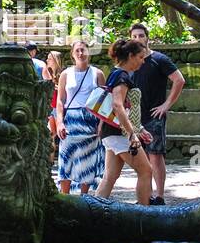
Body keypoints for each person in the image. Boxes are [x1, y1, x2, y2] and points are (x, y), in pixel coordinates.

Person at [128, 22, 185, 205]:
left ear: (147, 38)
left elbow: (179, 80)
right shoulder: (130, 63)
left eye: (141, 36)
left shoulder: (159, 59)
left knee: (155, 156)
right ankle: (145, 196)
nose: (138, 39)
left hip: (154, 116)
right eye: (134, 36)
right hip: (135, 117)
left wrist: (166, 105)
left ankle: (159, 196)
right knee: (140, 158)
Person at [94, 38, 154, 204]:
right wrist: (131, 134)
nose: (143, 61)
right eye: (141, 57)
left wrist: (139, 129)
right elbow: (118, 105)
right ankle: (144, 214)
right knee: (146, 171)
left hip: (111, 132)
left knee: (110, 177)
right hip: (120, 133)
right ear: (130, 55)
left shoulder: (116, 74)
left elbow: (126, 108)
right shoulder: (122, 76)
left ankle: (93, 213)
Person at [56, 40, 106, 195]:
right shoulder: (66, 74)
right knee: (66, 158)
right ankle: (64, 197)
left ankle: (84, 197)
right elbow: (60, 100)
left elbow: (104, 100)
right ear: (72, 54)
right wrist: (59, 122)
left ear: (88, 52)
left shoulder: (97, 74)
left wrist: (102, 124)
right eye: (77, 50)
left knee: (88, 159)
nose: (80, 53)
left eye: (83, 50)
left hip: (90, 119)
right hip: (70, 118)